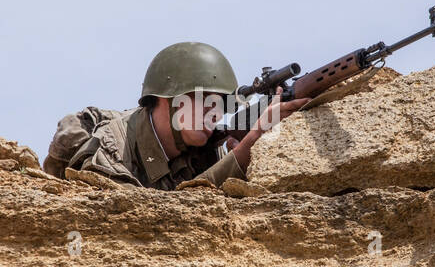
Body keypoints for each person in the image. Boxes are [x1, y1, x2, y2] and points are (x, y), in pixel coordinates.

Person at [58, 42, 308, 189]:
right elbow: (153, 220)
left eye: (220, 103)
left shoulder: (206, 152)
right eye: (203, 100)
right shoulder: (111, 147)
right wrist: (250, 143)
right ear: (169, 98)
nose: (214, 112)